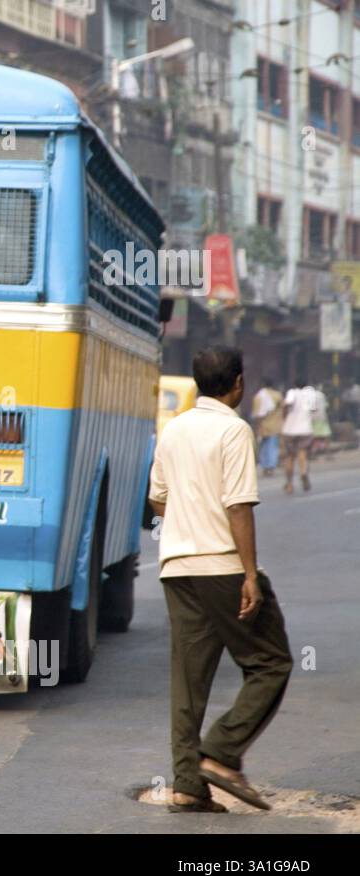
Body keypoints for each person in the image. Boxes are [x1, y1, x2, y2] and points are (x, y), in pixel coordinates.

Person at [148, 346, 292, 814]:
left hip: (178, 570)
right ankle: (223, 754)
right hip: (222, 568)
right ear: (237, 383)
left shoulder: (174, 430)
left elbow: (158, 500)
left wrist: (189, 518)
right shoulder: (233, 430)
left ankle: (188, 785)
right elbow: (238, 507)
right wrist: (250, 575)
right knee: (271, 662)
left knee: (188, 681)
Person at [282, 378, 319, 494]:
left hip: (290, 429)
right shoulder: (310, 395)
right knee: (302, 453)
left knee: (290, 457)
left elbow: (286, 404)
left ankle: (289, 484)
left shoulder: (292, 393)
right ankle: (303, 472)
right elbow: (314, 410)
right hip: (305, 429)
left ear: (294, 385)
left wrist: (285, 415)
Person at [250, 378, 283, 476]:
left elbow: (256, 414)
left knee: (263, 447)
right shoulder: (278, 395)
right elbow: (283, 408)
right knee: (272, 447)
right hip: (275, 425)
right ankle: (271, 466)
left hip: (262, 426)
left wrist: (256, 427)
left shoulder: (258, 396)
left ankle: (265, 466)